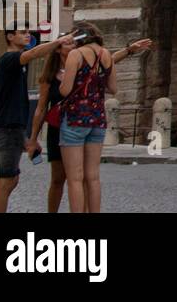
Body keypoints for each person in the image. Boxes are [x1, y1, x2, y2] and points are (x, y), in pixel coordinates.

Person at [28, 35, 154, 213]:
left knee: (84, 177)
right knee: (58, 179)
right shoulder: (49, 76)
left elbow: (111, 59)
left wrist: (129, 50)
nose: (72, 45)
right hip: (58, 129)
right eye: (67, 43)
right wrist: (33, 138)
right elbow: (41, 109)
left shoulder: (84, 66)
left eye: (74, 42)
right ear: (57, 49)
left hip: (78, 125)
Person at [0, 26, 76, 212]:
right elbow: (34, 53)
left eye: (29, 32)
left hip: (14, 129)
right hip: (6, 128)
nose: (28, 35)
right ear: (10, 37)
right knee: (5, 182)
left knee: (12, 180)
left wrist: (29, 140)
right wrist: (59, 42)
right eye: (22, 32)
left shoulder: (19, 64)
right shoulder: (9, 59)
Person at [57, 22, 118, 213]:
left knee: (75, 177)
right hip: (98, 118)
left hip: (76, 117)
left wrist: (63, 79)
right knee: (93, 176)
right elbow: (113, 88)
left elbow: (65, 90)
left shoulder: (76, 54)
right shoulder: (106, 54)